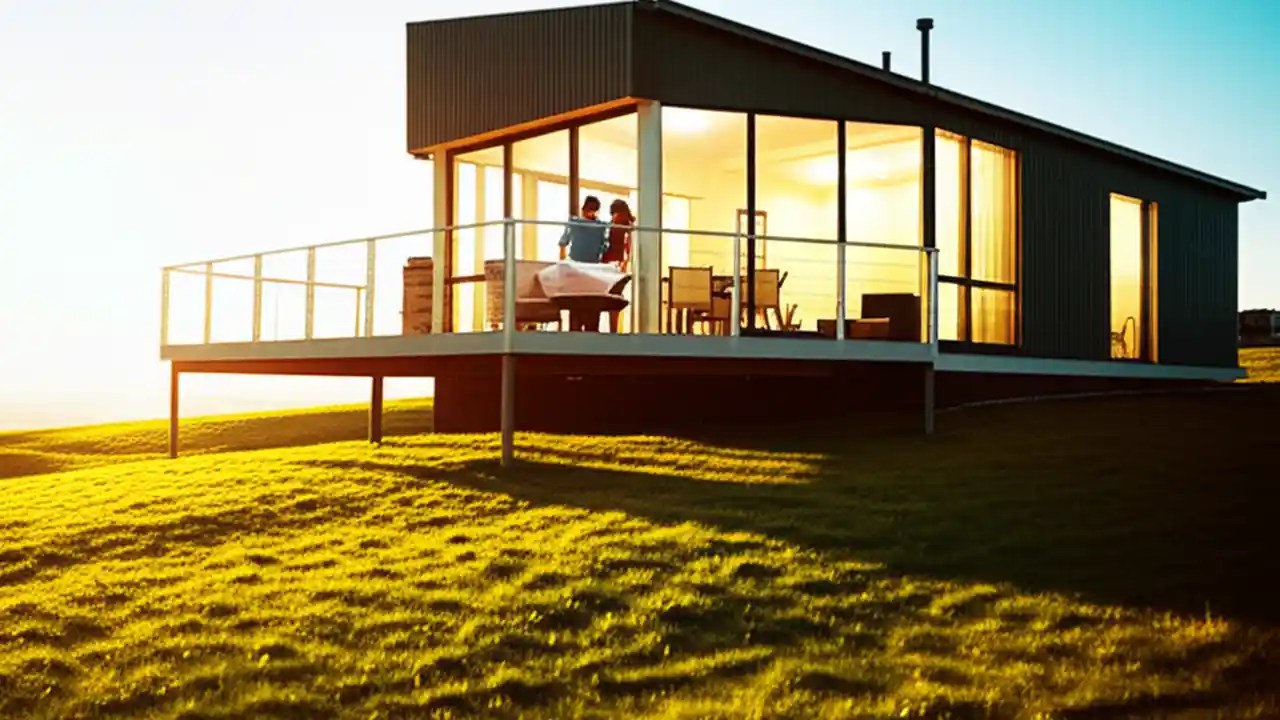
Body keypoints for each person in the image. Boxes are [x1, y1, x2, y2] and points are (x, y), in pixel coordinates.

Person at [602, 199, 634, 333]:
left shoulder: (626, 229)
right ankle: (613, 330)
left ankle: (613, 330)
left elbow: (628, 249)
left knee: (614, 299)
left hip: (616, 267)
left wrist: (624, 264)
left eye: (616, 213)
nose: (614, 217)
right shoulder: (613, 227)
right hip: (608, 266)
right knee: (611, 299)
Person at [558, 195, 608, 263]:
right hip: (584, 263)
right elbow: (563, 243)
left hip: (588, 263)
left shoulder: (600, 226)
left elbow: (563, 243)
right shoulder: (601, 226)